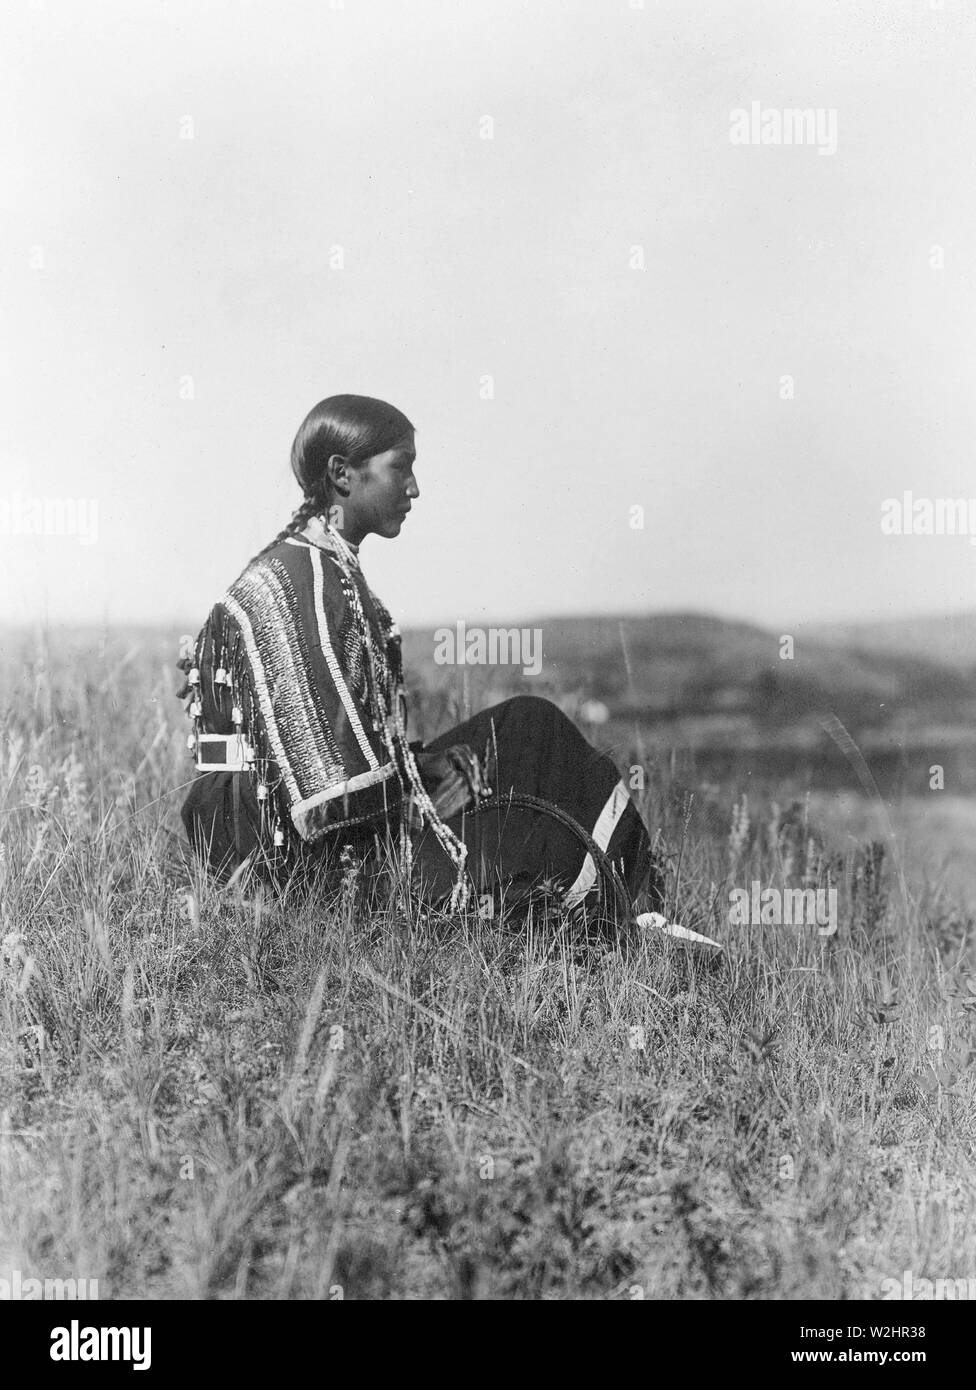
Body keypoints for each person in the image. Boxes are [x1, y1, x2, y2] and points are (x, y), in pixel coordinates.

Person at [178, 394, 684, 937]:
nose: (414, 488)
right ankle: (628, 923)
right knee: (536, 842)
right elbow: (328, 799)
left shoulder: (316, 568)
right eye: (401, 468)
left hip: (315, 829)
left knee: (530, 728)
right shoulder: (305, 585)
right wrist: (429, 793)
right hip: (307, 869)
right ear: (342, 474)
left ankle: (637, 902)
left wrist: (427, 769)